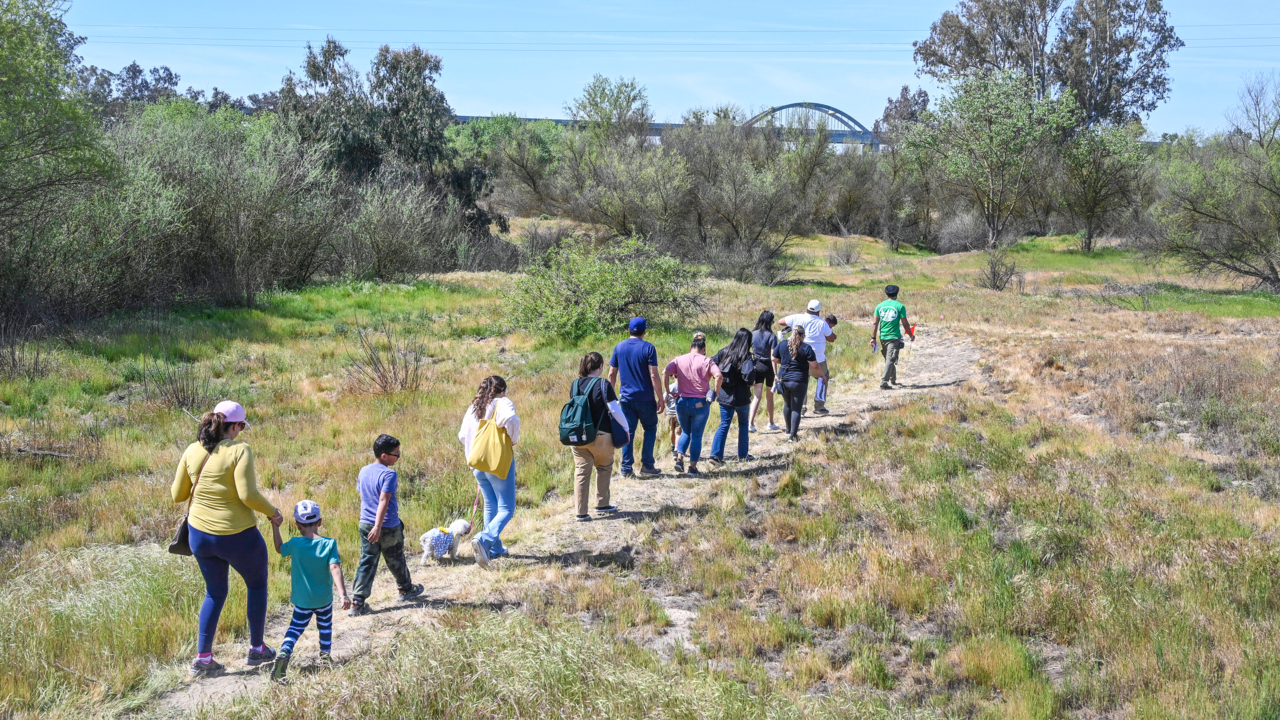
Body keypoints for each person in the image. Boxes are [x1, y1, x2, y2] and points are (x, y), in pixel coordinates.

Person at [172, 400, 283, 677]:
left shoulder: (192, 450)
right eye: (241, 426)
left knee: (215, 592)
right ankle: (257, 649)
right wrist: (274, 513)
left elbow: (177, 495)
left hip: (200, 536)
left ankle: (203, 658)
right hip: (237, 536)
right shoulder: (240, 450)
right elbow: (248, 495)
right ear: (234, 426)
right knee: (256, 585)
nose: (240, 432)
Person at [270, 500, 351, 682]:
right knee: (325, 628)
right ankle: (325, 659)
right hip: (323, 600)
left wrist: (275, 526)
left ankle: (284, 652)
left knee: (294, 629)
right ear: (320, 522)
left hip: (302, 601)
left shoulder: (295, 543)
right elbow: (335, 568)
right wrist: (343, 595)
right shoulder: (329, 544)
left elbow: (279, 548)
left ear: (297, 524)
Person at [350, 434, 424, 616]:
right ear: (384, 456)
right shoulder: (389, 474)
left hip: (365, 524)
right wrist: (378, 526)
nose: (398, 457)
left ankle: (357, 602)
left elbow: (364, 495)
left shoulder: (363, 470)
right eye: (396, 454)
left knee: (367, 561)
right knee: (396, 558)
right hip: (387, 525)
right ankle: (405, 590)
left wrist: (372, 525)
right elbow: (383, 500)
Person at [458, 375, 521, 568]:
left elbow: (462, 436)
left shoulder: (473, 407)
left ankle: (494, 549)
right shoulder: (502, 402)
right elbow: (511, 419)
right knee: (507, 508)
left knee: (490, 505)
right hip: (496, 462)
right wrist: (513, 439)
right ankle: (484, 540)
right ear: (502, 390)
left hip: (477, 463)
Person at [569, 352, 631, 522]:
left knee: (581, 472)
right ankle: (602, 504)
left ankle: (581, 513)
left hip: (578, 436)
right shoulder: (603, 384)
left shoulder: (575, 384)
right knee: (604, 467)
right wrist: (626, 427)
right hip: (601, 435)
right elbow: (614, 409)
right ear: (601, 366)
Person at [608, 318, 665, 478]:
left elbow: (612, 373)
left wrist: (609, 396)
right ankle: (647, 465)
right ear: (645, 331)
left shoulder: (619, 347)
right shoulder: (648, 348)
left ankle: (626, 469)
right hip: (646, 398)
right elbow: (653, 375)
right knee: (650, 429)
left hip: (626, 399)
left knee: (628, 432)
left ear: (628, 330)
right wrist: (660, 397)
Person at [663, 332, 723, 475]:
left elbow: (665, 372)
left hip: (682, 402)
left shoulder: (679, 359)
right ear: (703, 350)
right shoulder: (707, 361)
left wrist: (668, 391)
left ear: (691, 348)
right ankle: (692, 468)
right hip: (700, 403)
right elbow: (718, 376)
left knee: (685, 431)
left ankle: (679, 459)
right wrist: (715, 393)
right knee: (696, 436)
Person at [778, 300, 837, 415]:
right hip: (818, 358)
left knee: (802, 380)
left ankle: (801, 407)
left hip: (798, 356)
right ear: (819, 311)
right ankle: (819, 405)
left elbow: (781, 321)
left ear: (807, 308)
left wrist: (793, 324)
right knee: (823, 377)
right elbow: (831, 339)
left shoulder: (797, 317)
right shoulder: (822, 323)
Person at [709, 328, 756, 466]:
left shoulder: (724, 352)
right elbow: (749, 378)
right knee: (743, 424)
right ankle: (743, 455)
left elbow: (710, 363)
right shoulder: (746, 356)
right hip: (742, 397)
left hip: (724, 396)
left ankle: (715, 455)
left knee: (724, 424)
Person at [773, 325, 827, 442]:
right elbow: (815, 365)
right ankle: (793, 436)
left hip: (784, 379)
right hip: (799, 381)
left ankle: (788, 430)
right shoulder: (806, 348)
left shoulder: (782, 344)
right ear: (803, 336)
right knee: (796, 408)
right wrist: (822, 375)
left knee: (787, 404)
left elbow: (774, 359)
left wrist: (784, 362)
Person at [872, 284, 914, 390]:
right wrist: (911, 335)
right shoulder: (900, 306)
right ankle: (884, 382)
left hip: (883, 337)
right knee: (890, 359)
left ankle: (893, 379)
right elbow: (905, 324)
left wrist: (873, 338)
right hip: (894, 337)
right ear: (897, 293)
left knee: (889, 359)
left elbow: (875, 323)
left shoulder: (879, 306)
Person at [748, 311, 780, 433]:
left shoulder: (753, 334)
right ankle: (771, 423)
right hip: (769, 368)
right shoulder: (772, 336)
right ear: (770, 322)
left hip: (757, 366)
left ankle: (750, 423)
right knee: (769, 397)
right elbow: (773, 357)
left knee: (757, 396)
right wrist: (776, 373)